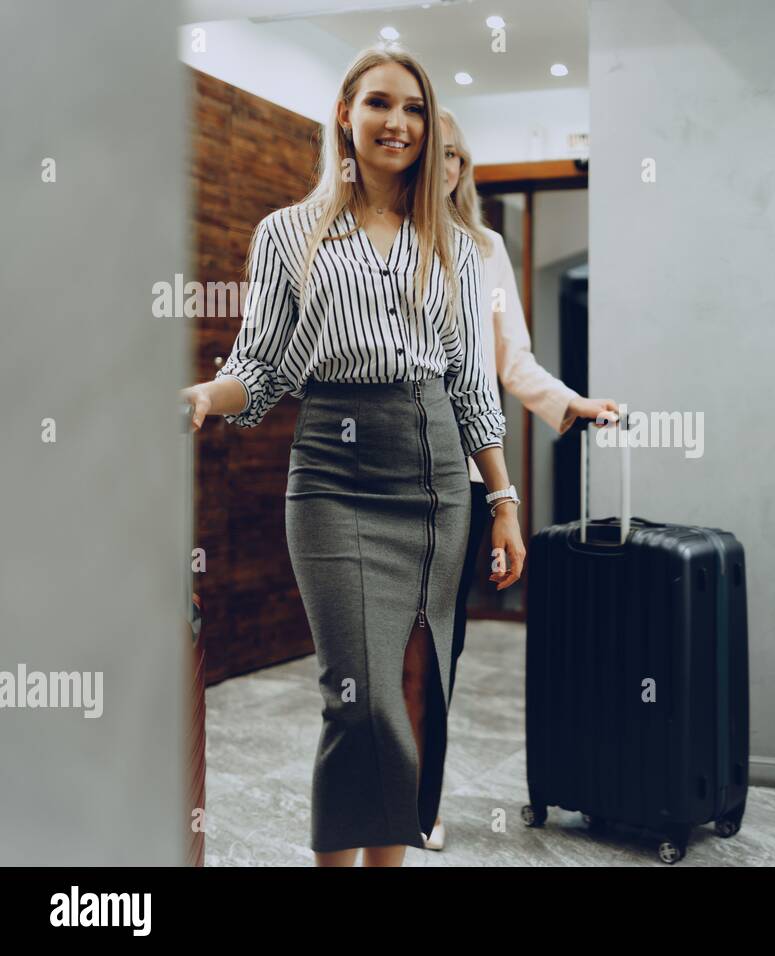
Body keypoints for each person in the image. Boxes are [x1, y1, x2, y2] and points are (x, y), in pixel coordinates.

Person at [178, 46, 522, 867]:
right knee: (354, 697)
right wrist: (202, 396)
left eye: (412, 108)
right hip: (331, 470)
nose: (396, 123)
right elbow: (258, 367)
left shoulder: (458, 245)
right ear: (345, 114)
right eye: (379, 103)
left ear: (429, 123)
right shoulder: (287, 233)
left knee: (407, 698)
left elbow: (474, 384)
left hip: (437, 473)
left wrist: (503, 501)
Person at [437, 109, 619, 762]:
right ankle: (376, 793)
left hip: (456, 471)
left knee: (440, 637)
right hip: (371, 471)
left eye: (457, 155)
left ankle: (419, 801)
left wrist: (572, 403)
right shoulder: (370, 237)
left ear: (465, 168)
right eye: (438, 150)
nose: (446, 165)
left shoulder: (485, 250)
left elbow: (511, 359)